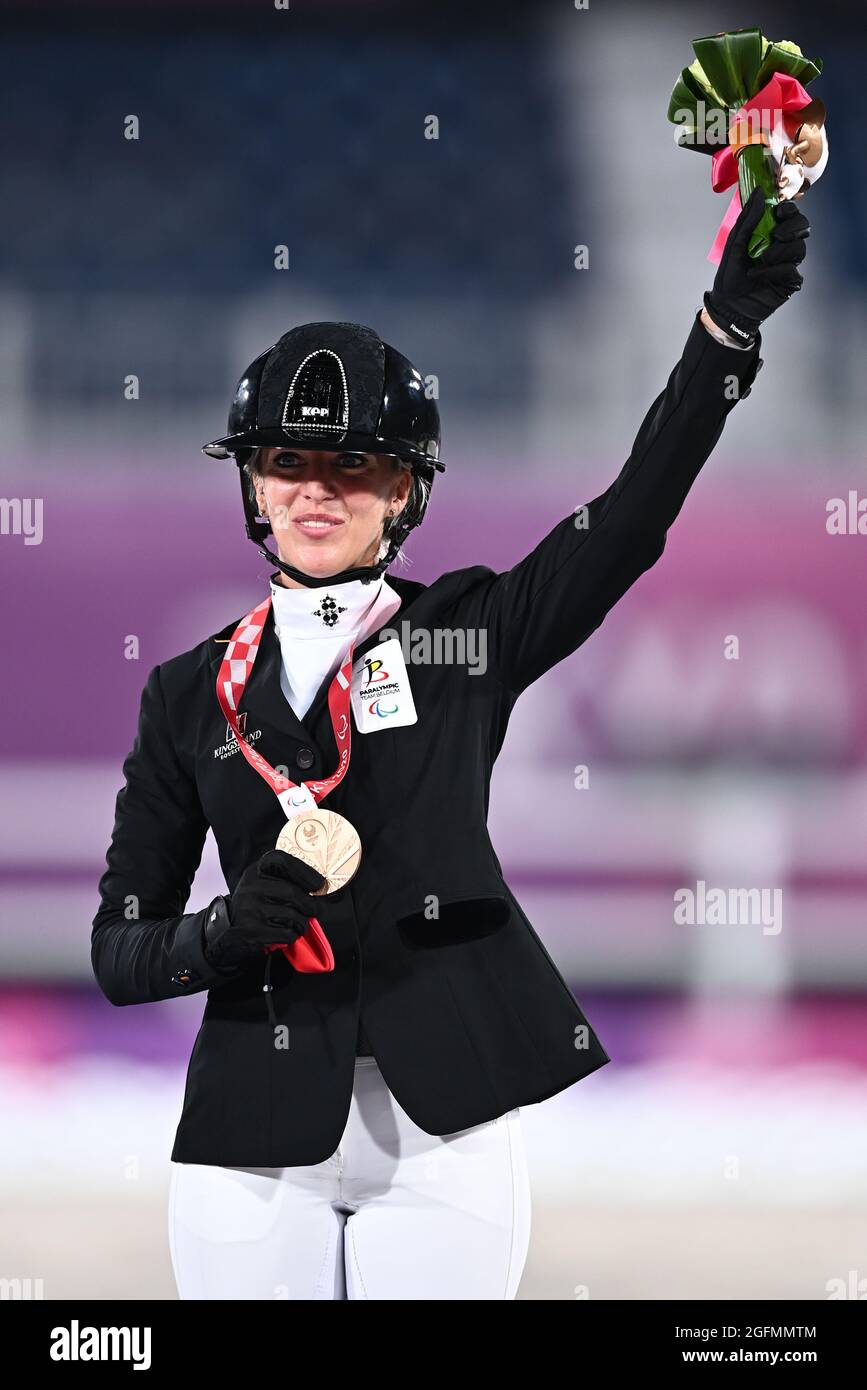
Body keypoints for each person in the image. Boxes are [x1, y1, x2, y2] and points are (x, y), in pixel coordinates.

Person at [91, 187, 809, 1299]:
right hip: (253, 1124)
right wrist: (224, 931)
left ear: (405, 493)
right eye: (287, 463)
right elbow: (118, 951)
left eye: (354, 469)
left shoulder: (466, 632)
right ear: (251, 482)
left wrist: (724, 336)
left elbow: (626, 522)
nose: (315, 492)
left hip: (446, 1127)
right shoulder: (187, 692)